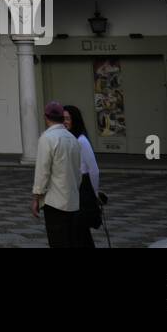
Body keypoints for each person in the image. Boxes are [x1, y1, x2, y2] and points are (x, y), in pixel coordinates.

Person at [31, 100, 81, 248]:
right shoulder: (72, 139)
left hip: (54, 201)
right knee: (70, 241)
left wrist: (37, 197)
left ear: (46, 118)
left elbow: (42, 171)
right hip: (72, 200)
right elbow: (79, 173)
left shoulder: (47, 138)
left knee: (57, 241)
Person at [64, 104, 101, 249]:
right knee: (78, 232)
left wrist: (95, 192)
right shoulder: (69, 139)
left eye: (68, 118)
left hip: (83, 190)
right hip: (73, 190)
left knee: (80, 231)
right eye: (63, 119)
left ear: (75, 120)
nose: (65, 121)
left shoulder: (81, 141)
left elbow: (94, 170)